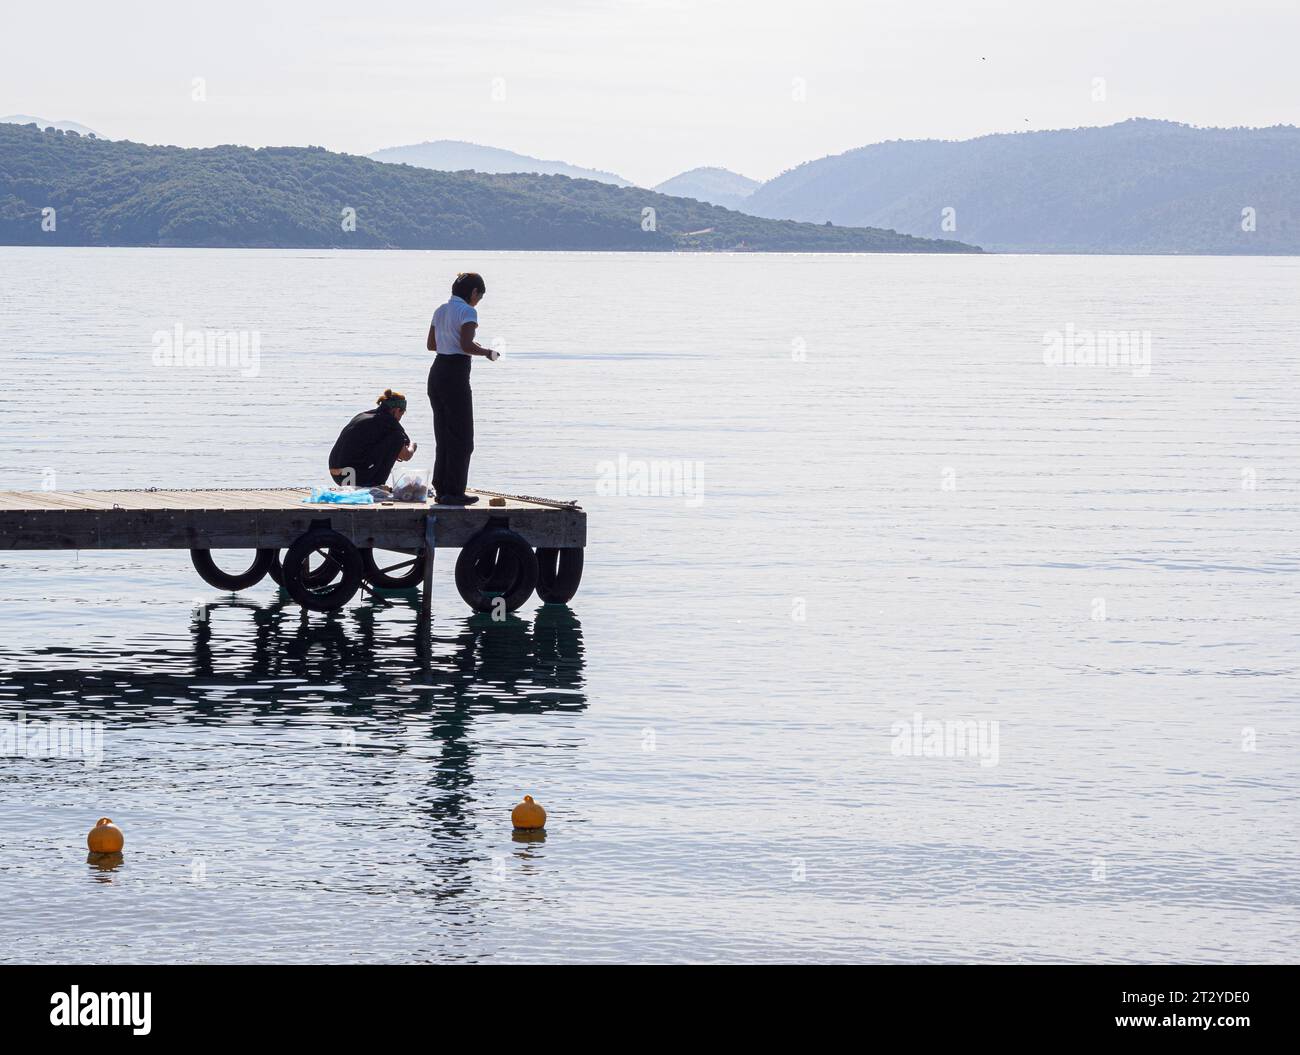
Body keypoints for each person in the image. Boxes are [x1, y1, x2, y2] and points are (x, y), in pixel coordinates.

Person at [426, 271, 499, 505]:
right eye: (479, 296)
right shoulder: (468, 311)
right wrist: (487, 352)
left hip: (437, 371)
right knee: (463, 437)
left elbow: (431, 344)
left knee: (444, 435)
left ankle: (442, 488)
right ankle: (455, 492)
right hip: (455, 374)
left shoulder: (441, 309)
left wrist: (466, 344)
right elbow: (466, 346)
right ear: (474, 292)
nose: (478, 302)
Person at [328, 389, 417, 487]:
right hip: (354, 477)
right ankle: (377, 485)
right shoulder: (389, 421)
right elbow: (405, 455)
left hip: (337, 475)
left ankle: (371, 482)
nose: (400, 418)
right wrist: (413, 445)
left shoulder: (363, 415)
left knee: (388, 441)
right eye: (401, 414)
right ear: (395, 410)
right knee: (397, 438)